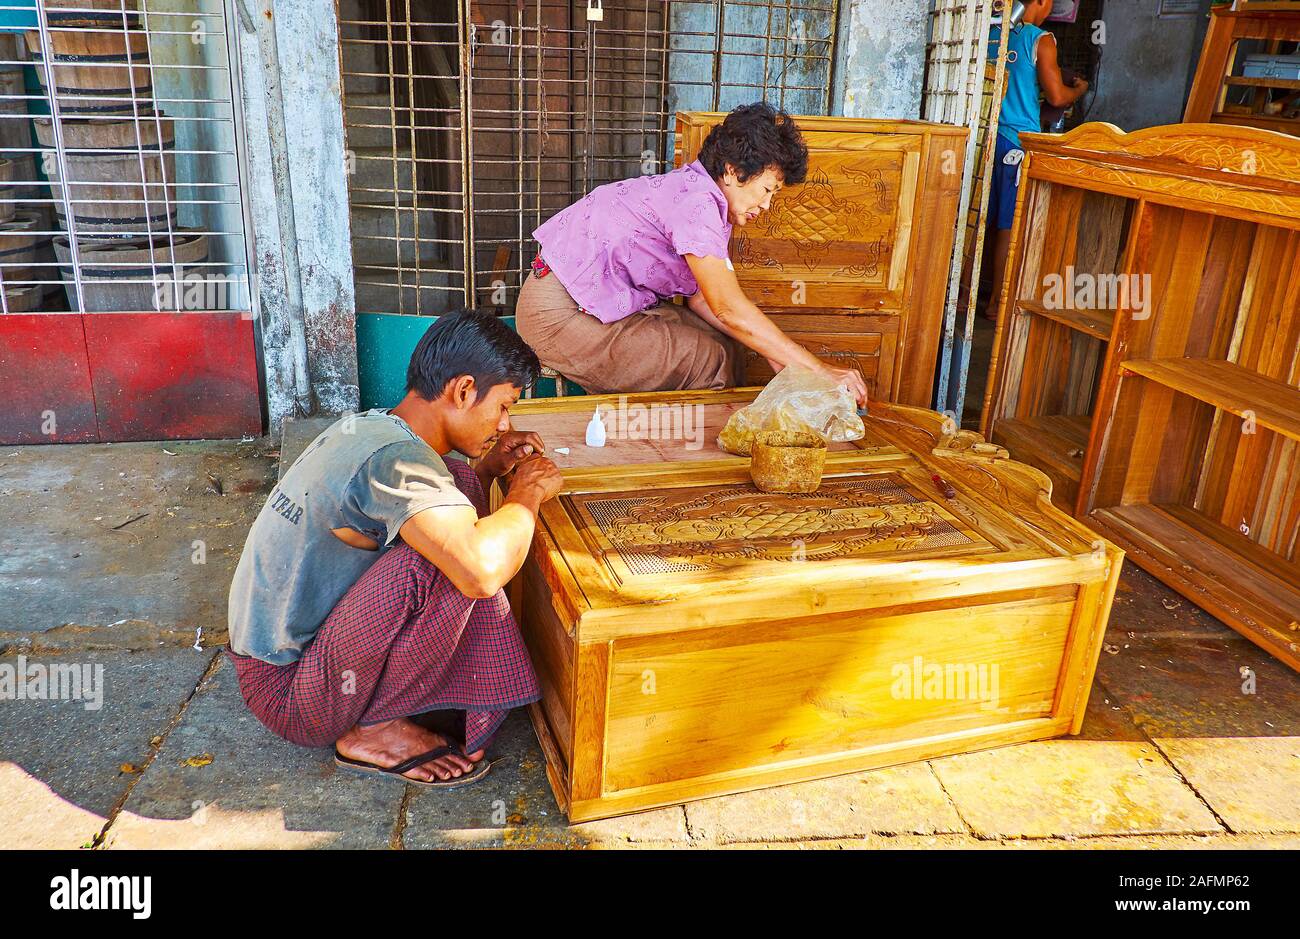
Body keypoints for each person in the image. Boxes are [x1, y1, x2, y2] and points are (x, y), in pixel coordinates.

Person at [226, 310, 563, 788]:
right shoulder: (398, 460)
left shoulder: (374, 427)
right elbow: (481, 571)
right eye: (504, 405)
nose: (505, 423)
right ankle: (373, 729)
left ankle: (388, 706)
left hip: (280, 668)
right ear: (464, 390)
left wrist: (487, 471)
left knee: (458, 483)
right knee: (442, 565)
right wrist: (526, 493)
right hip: (293, 697)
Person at [515, 102, 868, 406]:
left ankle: (716, 443)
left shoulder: (704, 198)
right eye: (766, 189)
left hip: (599, 303)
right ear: (733, 171)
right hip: (559, 314)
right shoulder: (696, 205)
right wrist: (817, 369)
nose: (767, 205)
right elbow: (727, 308)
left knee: (727, 345)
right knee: (706, 360)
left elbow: (704, 301)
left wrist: (776, 354)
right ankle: (695, 456)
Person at [984, 0, 1089, 321]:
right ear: (1041, 2)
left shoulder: (991, 32)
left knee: (981, 218)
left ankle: (965, 293)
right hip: (1017, 141)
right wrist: (1079, 91)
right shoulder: (1040, 40)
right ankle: (996, 302)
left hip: (986, 136)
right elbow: (1057, 96)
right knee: (1008, 224)